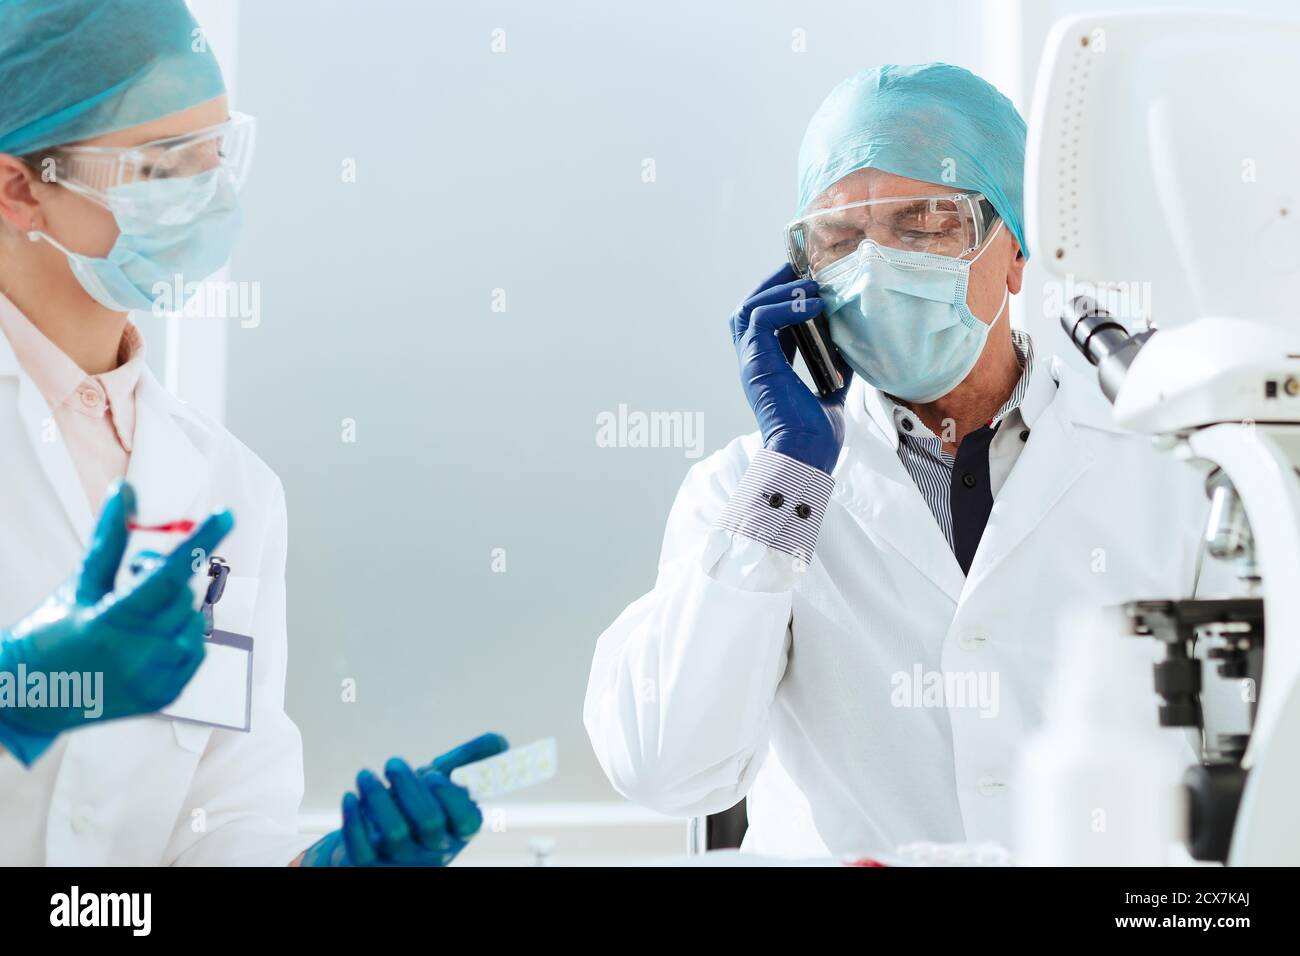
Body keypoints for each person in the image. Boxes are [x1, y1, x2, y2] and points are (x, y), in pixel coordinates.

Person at [584, 63, 1230, 858]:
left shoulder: (1179, 468)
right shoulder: (751, 491)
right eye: (839, 239)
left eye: (924, 225)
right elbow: (666, 770)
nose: (877, 264)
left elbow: (1264, 763)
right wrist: (791, 477)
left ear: (1016, 252)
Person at [0, 0, 501, 866]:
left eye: (214, 155)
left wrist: (323, 868)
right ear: (19, 188)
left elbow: (227, 812)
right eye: (161, 169)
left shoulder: (232, 488)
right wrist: (25, 697)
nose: (207, 197)